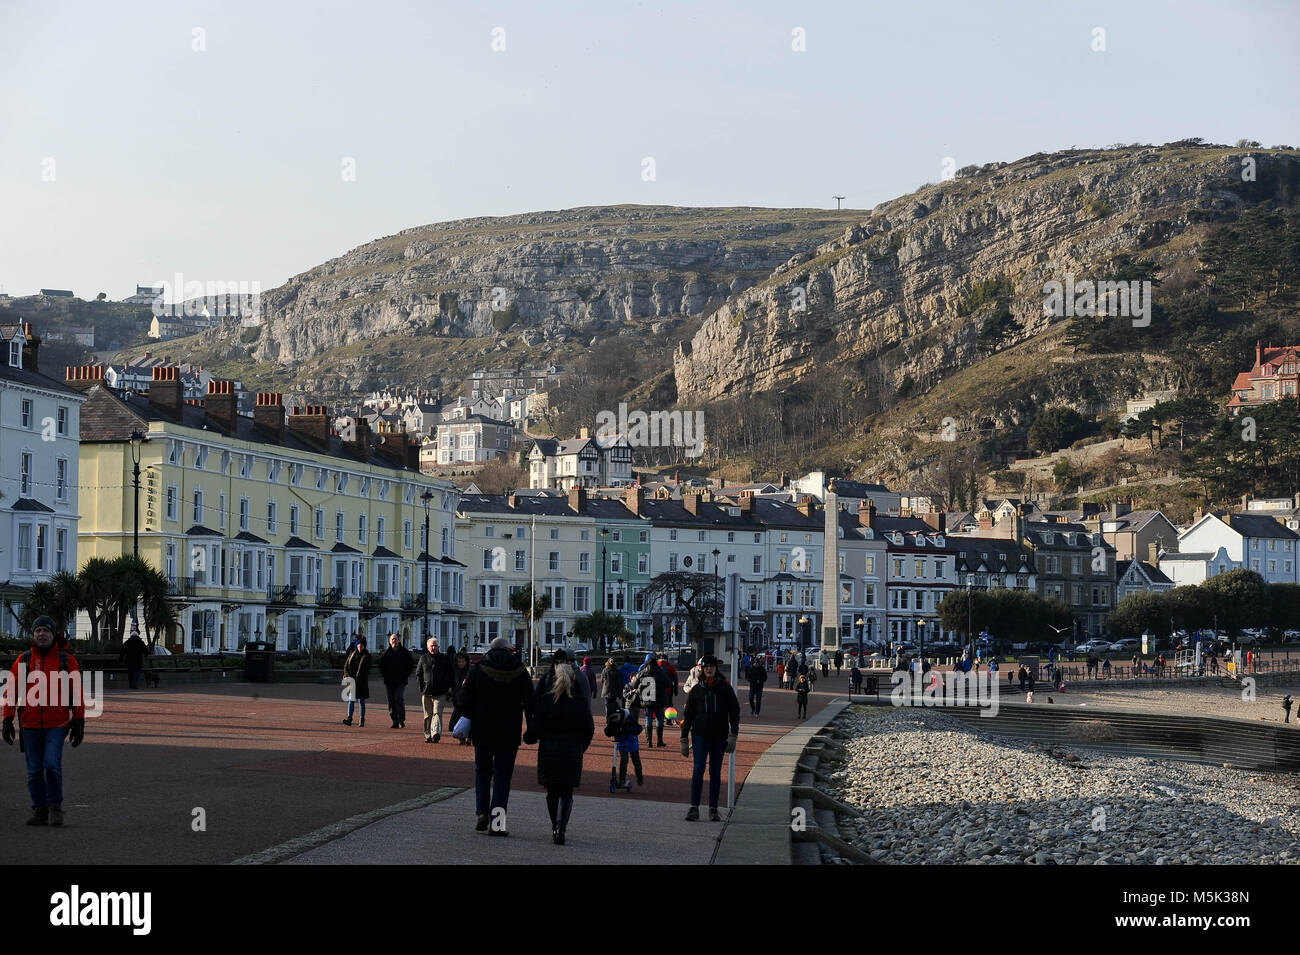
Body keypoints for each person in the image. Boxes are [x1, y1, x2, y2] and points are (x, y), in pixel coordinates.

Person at [2, 617, 85, 826]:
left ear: (53, 634)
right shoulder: (24, 659)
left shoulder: (67, 660)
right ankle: (40, 809)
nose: (41, 634)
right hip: (29, 725)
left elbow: (77, 692)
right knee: (34, 771)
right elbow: (11, 691)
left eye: (45, 631)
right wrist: (7, 719)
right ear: (33, 634)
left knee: (51, 765)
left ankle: (55, 806)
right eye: (37, 630)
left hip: (56, 724)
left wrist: (79, 720)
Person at [456, 636, 536, 836]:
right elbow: (531, 702)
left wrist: (470, 715)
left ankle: (482, 812)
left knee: (482, 772)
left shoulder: (478, 668)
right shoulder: (519, 670)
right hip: (509, 731)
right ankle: (497, 823)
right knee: (502, 777)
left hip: (482, 730)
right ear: (509, 649)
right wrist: (532, 725)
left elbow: (463, 698)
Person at [524, 660, 594, 845]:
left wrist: (529, 736)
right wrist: (581, 747)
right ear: (572, 680)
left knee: (552, 791)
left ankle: (555, 826)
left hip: (549, 750)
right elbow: (588, 729)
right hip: (571, 750)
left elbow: (535, 727)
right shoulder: (580, 702)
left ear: (554, 678)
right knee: (567, 792)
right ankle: (561, 827)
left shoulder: (545, 700)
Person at [680, 655, 740, 822]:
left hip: (719, 735)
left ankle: (713, 808)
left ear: (716, 668)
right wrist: (684, 739)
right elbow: (689, 715)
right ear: (702, 669)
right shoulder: (696, 690)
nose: (709, 669)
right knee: (698, 769)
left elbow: (734, 712)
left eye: (712, 666)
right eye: (706, 667)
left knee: (715, 771)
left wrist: (733, 734)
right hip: (700, 735)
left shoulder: (725, 688)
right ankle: (694, 807)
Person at [415, 636, 454, 742]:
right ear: (428, 647)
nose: (433, 648)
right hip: (426, 691)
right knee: (428, 715)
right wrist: (421, 687)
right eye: (431, 646)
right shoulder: (423, 658)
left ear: (439, 647)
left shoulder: (444, 659)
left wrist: (447, 687)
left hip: (440, 692)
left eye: (435, 646)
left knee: (437, 713)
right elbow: (418, 673)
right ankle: (428, 734)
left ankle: (435, 733)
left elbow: (450, 674)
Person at [633, 654, 670, 747]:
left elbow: (634, 685)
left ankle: (649, 741)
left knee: (648, 718)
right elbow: (667, 683)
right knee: (659, 719)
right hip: (659, 699)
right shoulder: (660, 672)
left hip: (647, 698)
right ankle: (659, 741)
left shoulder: (642, 672)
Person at [378, 633, 414, 729]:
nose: (394, 641)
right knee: (391, 701)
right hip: (389, 681)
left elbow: (410, 665)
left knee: (398, 698)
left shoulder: (405, 652)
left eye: (395, 639)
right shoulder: (386, 653)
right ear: (390, 641)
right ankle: (395, 721)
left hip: (401, 681)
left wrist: (405, 675)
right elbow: (381, 666)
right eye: (392, 639)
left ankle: (401, 719)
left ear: (399, 640)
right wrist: (384, 675)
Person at [608, 706, 644, 787]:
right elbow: (607, 732)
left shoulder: (629, 717)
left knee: (636, 760)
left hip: (631, 740)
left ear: (620, 714)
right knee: (624, 759)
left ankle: (640, 777)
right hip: (621, 740)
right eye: (613, 717)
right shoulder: (611, 720)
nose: (615, 719)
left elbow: (639, 728)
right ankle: (622, 780)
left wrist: (627, 730)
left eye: (616, 717)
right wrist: (613, 731)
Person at [342, 637, 371, 726]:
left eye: (361, 645)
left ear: (364, 646)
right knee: (351, 700)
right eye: (359, 644)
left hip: (361, 682)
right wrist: (346, 675)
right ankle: (349, 718)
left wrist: (361, 676)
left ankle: (361, 720)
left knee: (361, 701)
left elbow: (367, 669)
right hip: (352, 680)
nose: (360, 646)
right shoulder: (353, 654)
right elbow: (346, 665)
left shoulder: (367, 656)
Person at [448, 650, 472, 745]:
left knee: (469, 718)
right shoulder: (454, 672)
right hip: (457, 699)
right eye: (459, 662)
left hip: (468, 699)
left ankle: (469, 737)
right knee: (459, 718)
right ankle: (461, 736)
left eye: (463, 661)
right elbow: (451, 684)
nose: (461, 663)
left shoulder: (470, 672)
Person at [659, 656, 680, 723]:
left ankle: (660, 720)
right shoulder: (670, 666)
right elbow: (675, 679)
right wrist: (676, 689)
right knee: (669, 705)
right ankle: (669, 720)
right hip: (668, 689)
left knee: (660, 706)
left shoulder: (656, 665)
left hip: (658, 689)